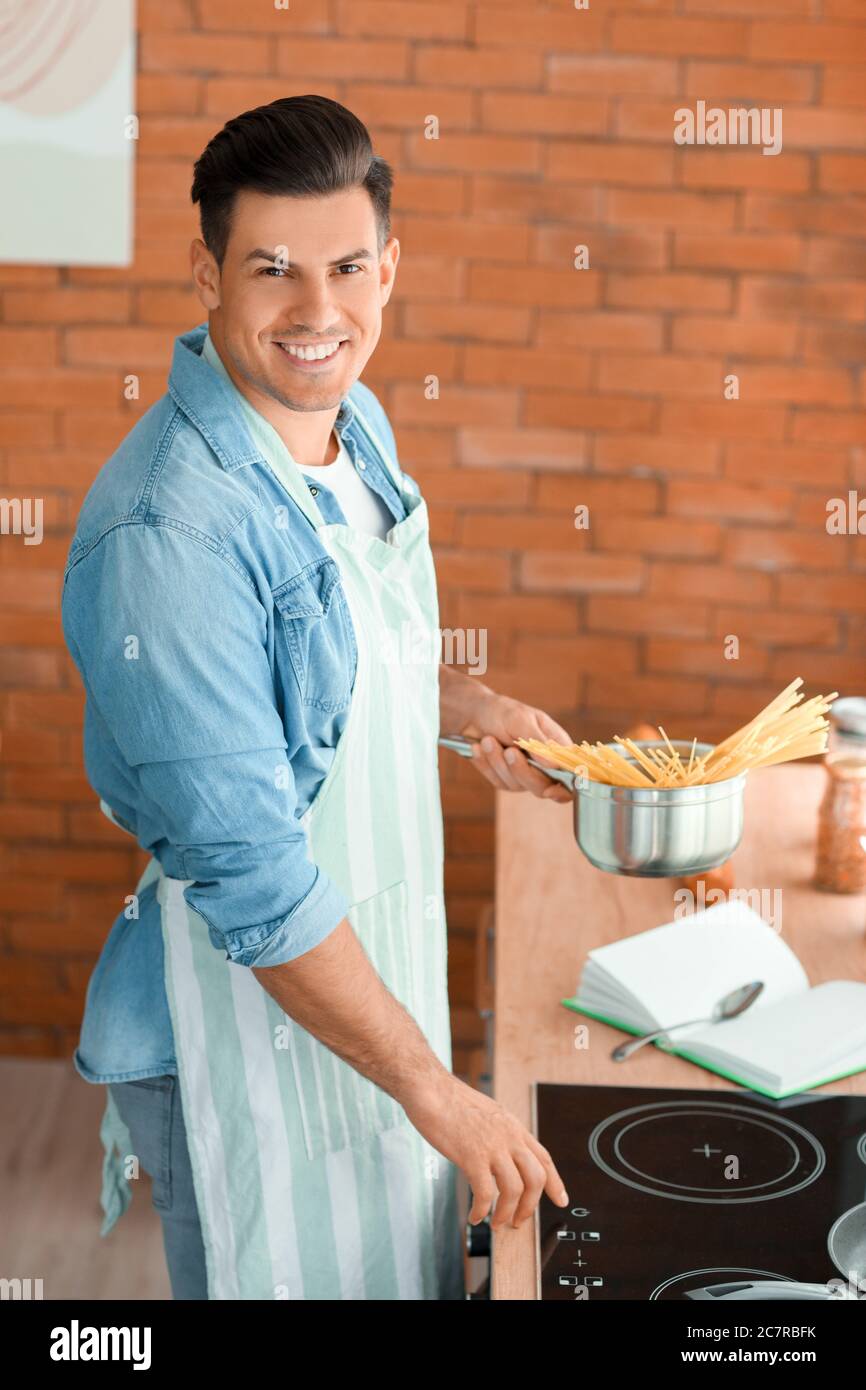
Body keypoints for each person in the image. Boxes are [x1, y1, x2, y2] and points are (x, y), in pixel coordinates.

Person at [62, 94, 573, 1301]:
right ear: (207, 273)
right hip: (238, 1017)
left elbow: (337, 652)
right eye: (273, 270)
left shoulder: (352, 420)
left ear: (388, 270)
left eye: (346, 267)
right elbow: (254, 872)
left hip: (373, 974)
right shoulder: (170, 530)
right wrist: (434, 1088)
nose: (316, 312)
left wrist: (465, 704)